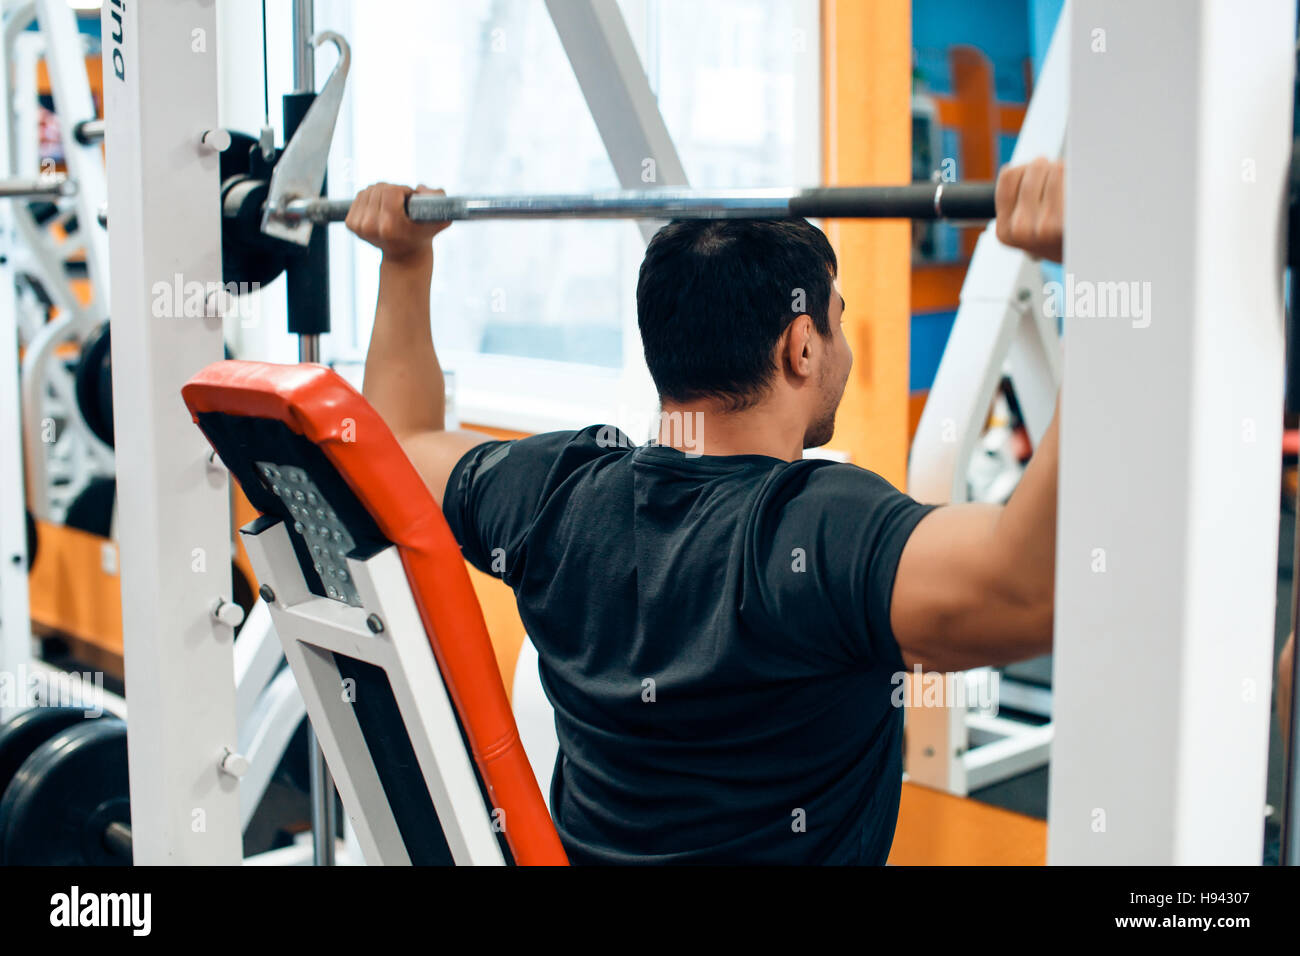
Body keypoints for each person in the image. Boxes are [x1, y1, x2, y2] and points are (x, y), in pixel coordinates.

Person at [346, 158, 1065, 864]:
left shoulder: (557, 495)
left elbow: (399, 449)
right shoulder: (815, 528)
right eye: (837, 322)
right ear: (802, 345)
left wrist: (403, 265)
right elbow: (1026, 594)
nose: (841, 347)